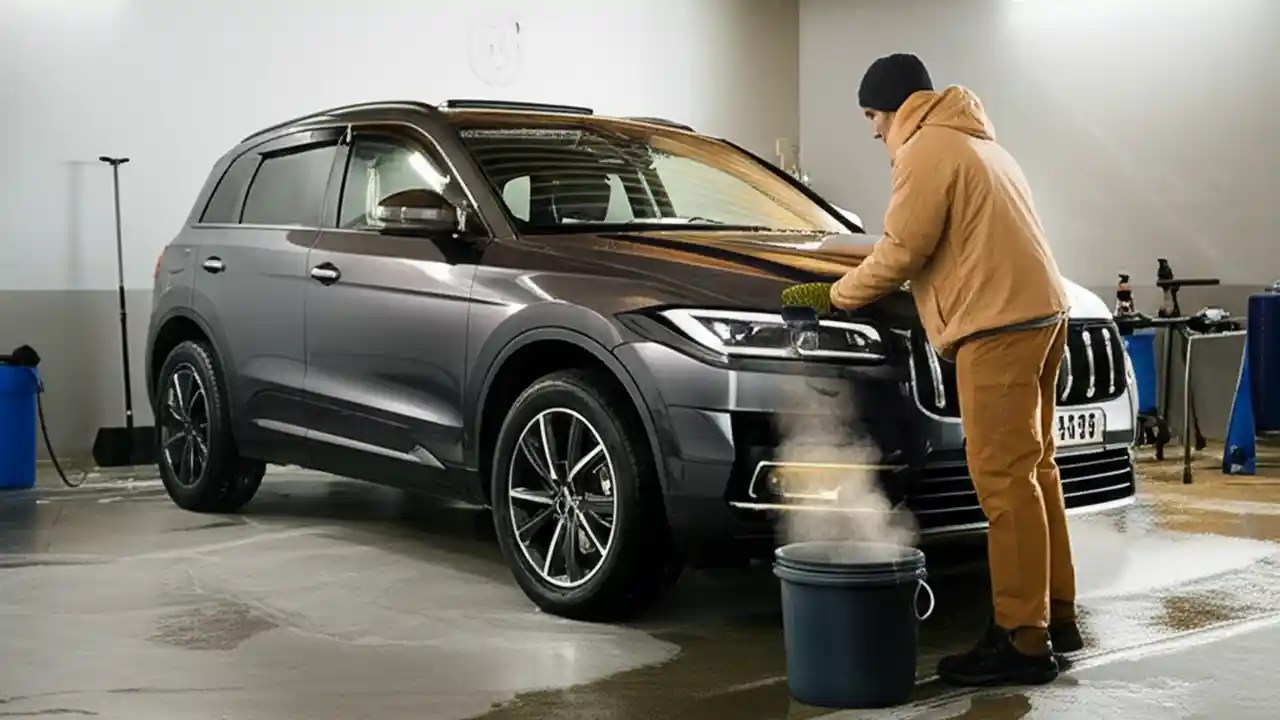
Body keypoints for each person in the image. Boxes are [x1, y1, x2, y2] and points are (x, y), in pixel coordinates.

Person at [828, 53, 1082, 686]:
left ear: (894, 108)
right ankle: (1057, 613)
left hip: (997, 328)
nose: (872, 131)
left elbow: (902, 251)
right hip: (1045, 317)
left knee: (1003, 483)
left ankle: (1023, 642)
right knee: (1035, 470)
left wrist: (836, 296)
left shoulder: (925, 151)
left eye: (871, 115)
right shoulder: (981, 144)